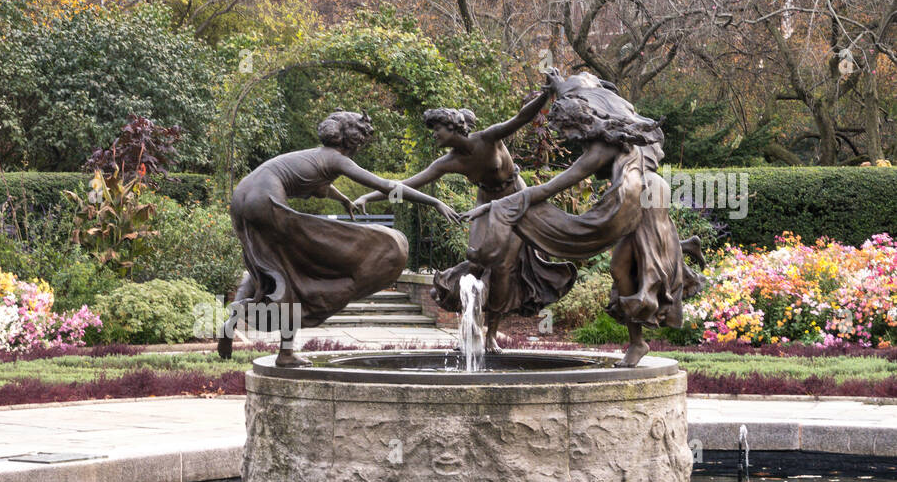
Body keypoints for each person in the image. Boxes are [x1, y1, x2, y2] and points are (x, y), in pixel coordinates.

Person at [466, 70, 705, 367]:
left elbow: (551, 187)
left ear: (580, 125)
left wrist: (499, 205)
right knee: (624, 267)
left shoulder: (599, 148)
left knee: (627, 268)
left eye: (567, 133)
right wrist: (560, 89)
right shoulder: (609, 119)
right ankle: (643, 328)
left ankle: (638, 339)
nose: (567, 139)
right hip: (641, 195)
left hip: (644, 199)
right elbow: (587, 88)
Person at [218, 110, 460, 365]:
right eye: (363, 139)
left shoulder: (315, 156)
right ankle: (285, 353)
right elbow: (387, 186)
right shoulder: (337, 159)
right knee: (292, 274)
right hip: (265, 199)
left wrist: (344, 200)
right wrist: (434, 202)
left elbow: (320, 184)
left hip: (243, 195)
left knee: (265, 268)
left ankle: (233, 319)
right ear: (354, 140)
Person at [353, 75, 574, 351]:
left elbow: (521, 118)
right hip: (486, 202)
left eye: (437, 129)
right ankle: (469, 324)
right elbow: (406, 184)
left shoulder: (489, 138)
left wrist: (547, 95)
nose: (434, 135)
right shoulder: (447, 162)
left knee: (504, 267)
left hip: (516, 199)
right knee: (476, 259)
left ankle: (491, 333)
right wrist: (368, 196)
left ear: (453, 127)